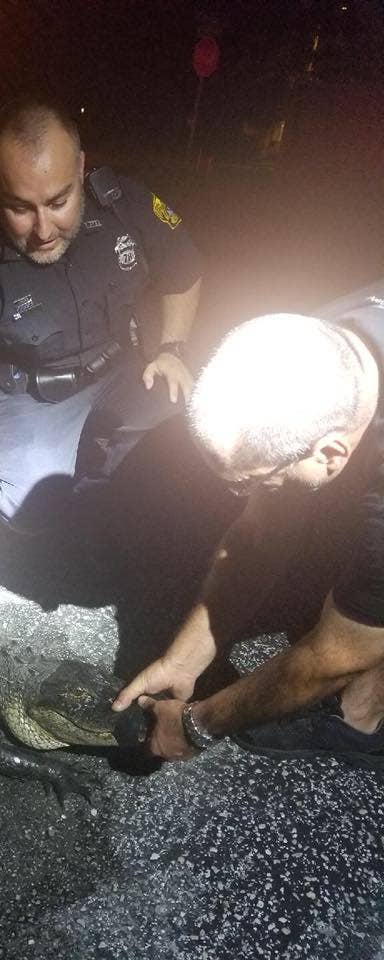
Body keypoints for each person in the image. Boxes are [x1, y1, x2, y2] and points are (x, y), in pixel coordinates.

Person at [0, 96, 203, 599]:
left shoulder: (122, 202)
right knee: (28, 511)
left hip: (122, 370)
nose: (42, 230)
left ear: (81, 169)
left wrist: (173, 349)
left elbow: (184, 269)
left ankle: (97, 468)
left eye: (58, 202)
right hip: (36, 398)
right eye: (20, 207)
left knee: (195, 424)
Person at [113, 281, 384, 769]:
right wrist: (183, 660)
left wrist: (198, 724)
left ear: (330, 451)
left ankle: (363, 720)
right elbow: (259, 537)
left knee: (366, 608)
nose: (244, 496)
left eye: (254, 483)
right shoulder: (321, 348)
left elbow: (336, 654)